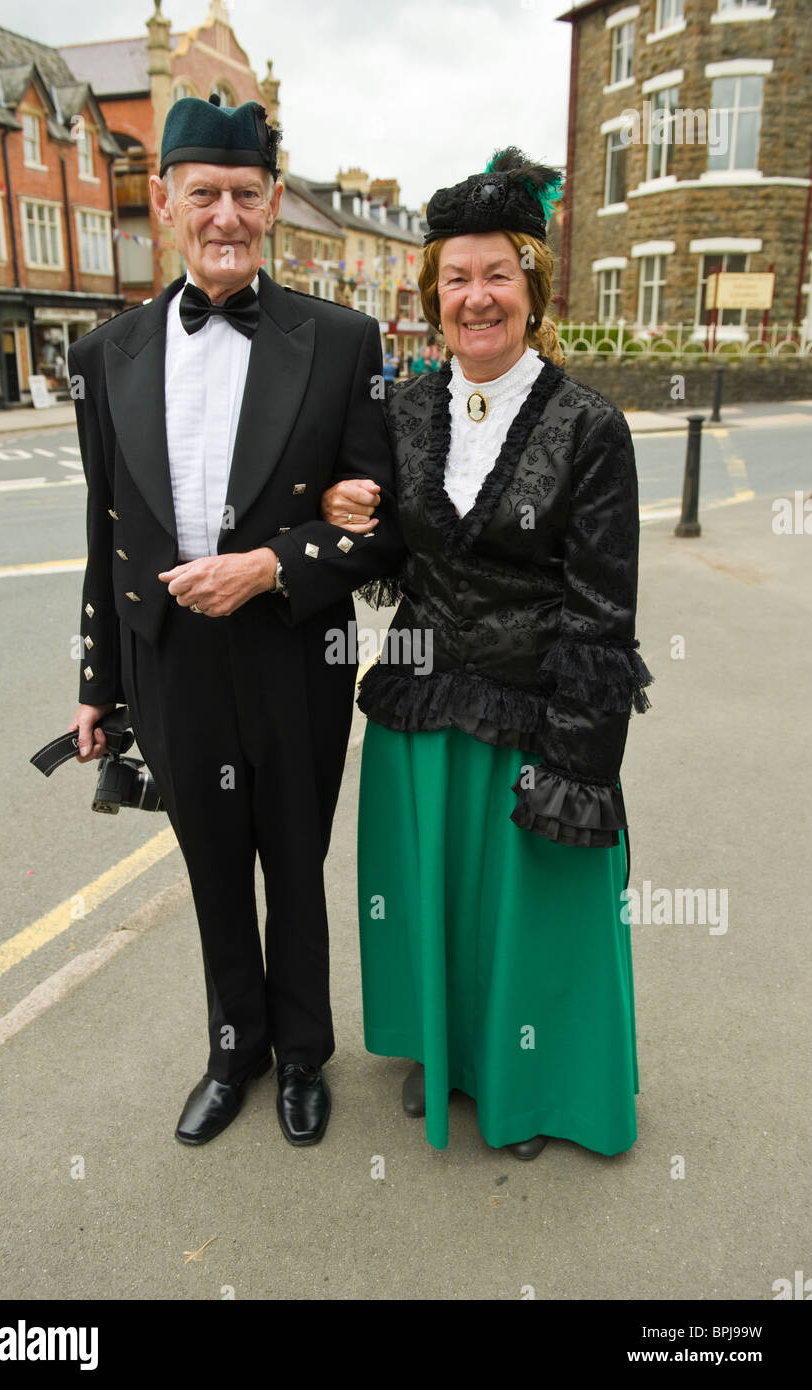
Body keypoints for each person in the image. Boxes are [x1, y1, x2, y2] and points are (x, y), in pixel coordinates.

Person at [66, 95, 403, 1149]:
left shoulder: (344, 339)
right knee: (211, 866)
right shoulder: (102, 352)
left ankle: (304, 1052)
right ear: (165, 202)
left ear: (272, 207)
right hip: (166, 660)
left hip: (295, 651)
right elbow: (103, 525)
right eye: (202, 193)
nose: (224, 215)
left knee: (293, 862)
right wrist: (96, 680)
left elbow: (386, 529)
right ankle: (233, 1046)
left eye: (245, 195)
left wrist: (273, 563)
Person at [322, 147, 653, 1161]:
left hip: (531, 712)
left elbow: (603, 609)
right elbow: (395, 547)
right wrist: (342, 512)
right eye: (454, 278)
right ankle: (447, 1048)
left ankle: (525, 1077)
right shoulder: (405, 407)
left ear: (531, 286)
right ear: (431, 295)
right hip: (421, 707)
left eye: (495, 276)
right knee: (435, 902)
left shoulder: (589, 426)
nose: (475, 299)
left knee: (529, 914)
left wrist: (577, 764)